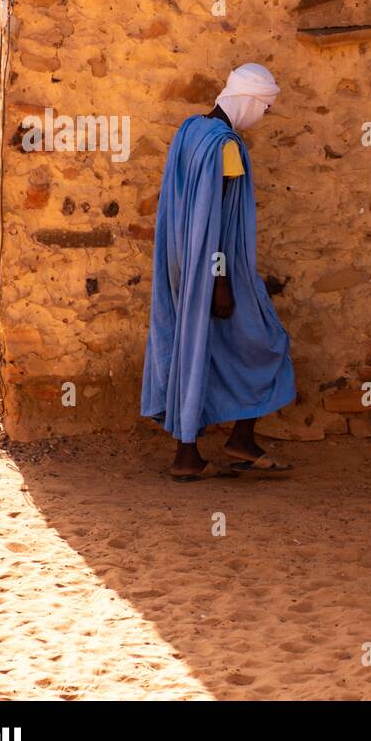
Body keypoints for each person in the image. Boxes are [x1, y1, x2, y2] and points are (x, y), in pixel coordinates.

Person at [141, 63, 296, 481]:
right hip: (217, 266)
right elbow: (218, 221)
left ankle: (197, 450)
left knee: (194, 345)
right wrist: (221, 282)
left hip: (181, 259)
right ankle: (218, 446)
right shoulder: (226, 146)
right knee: (268, 341)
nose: (263, 116)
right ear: (247, 100)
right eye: (264, 107)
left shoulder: (191, 130)